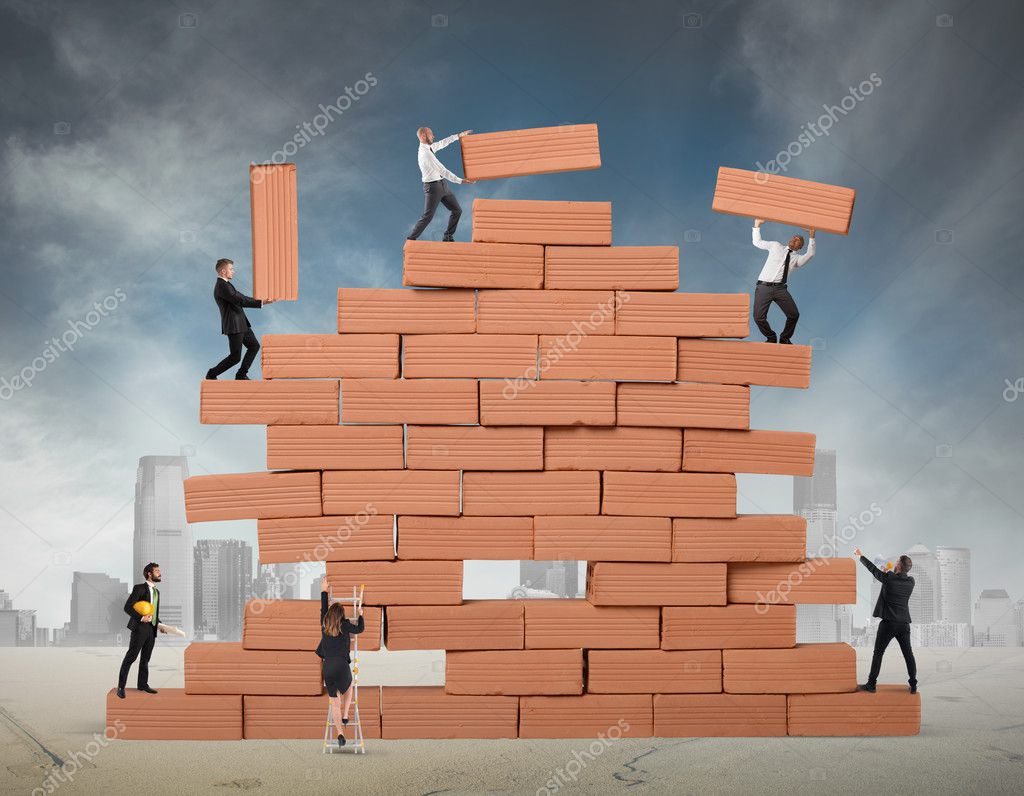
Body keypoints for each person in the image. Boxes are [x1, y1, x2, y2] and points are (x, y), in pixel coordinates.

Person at [854, 547, 917, 694]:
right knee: (909, 654)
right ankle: (913, 685)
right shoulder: (911, 582)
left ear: (899, 566)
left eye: (896, 562)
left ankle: (871, 684)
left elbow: (873, 569)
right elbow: (889, 572)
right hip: (904, 624)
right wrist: (888, 568)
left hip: (888, 623)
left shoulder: (889, 578)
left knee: (878, 653)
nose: (894, 563)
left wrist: (860, 556)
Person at [205, 258, 274, 380]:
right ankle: (212, 374)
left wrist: (259, 301)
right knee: (235, 357)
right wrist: (261, 302)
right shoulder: (222, 286)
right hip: (234, 325)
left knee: (254, 346)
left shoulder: (226, 285)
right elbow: (239, 300)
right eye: (231, 269)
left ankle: (241, 374)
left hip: (242, 324)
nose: (233, 271)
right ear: (222, 271)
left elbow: (240, 296)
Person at [750, 219, 816, 344]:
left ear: (800, 247)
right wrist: (757, 225)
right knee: (758, 318)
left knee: (794, 315)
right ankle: (771, 337)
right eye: (794, 237)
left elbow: (810, 254)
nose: (795, 239)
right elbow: (757, 242)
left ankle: (785, 338)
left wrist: (812, 235)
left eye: (798, 240)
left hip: (780, 289)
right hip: (763, 287)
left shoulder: (797, 259)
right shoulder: (775, 246)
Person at [316, 576, 364, 747]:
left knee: (334, 701)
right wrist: (360, 615)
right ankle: (345, 715)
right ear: (342, 615)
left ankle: (340, 733)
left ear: (330, 614)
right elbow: (360, 629)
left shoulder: (324, 623)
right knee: (349, 687)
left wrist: (324, 589)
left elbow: (323, 606)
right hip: (342, 665)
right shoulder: (345, 625)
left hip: (328, 667)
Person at [406, 127, 475, 242]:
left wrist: (459, 135)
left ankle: (447, 236)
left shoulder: (430, 147)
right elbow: (442, 170)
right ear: (423, 136)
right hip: (433, 188)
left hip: (443, 184)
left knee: (457, 210)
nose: (433, 136)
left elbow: (443, 143)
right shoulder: (425, 154)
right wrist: (460, 180)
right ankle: (410, 239)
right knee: (428, 217)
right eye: (431, 134)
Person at [116, 562, 167, 699]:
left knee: (145, 659)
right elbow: (127, 607)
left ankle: (142, 684)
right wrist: (140, 618)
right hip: (139, 629)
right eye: (157, 571)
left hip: (151, 630)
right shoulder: (139, 588)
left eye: (159, 570)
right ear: (149, 574)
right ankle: (121, 687)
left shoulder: (157, 591)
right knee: (131, 657)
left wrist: (159, 625)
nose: (160, 573)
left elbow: (153, 612)